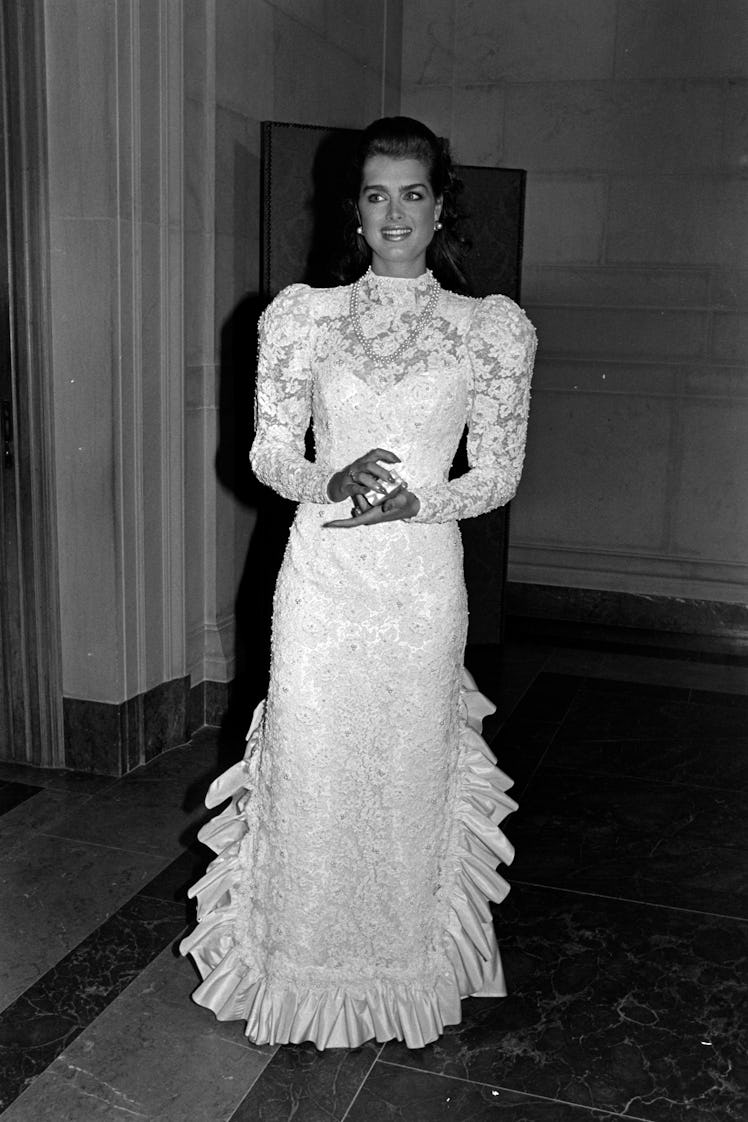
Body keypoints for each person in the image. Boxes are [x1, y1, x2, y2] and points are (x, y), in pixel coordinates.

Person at [180, 116, 537, 1050]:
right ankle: (297, 964)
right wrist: (326, 477)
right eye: (376, 194)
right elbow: (264, 451)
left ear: (440, 204)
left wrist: (417, 502)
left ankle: (406, 967)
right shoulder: (304, 316)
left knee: (409, 764)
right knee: (315, 759)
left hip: (419, 582)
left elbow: (497, 474)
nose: (394, 213)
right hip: (323, 576)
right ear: (356, 208)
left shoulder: (488, 330)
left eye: (412, 193)